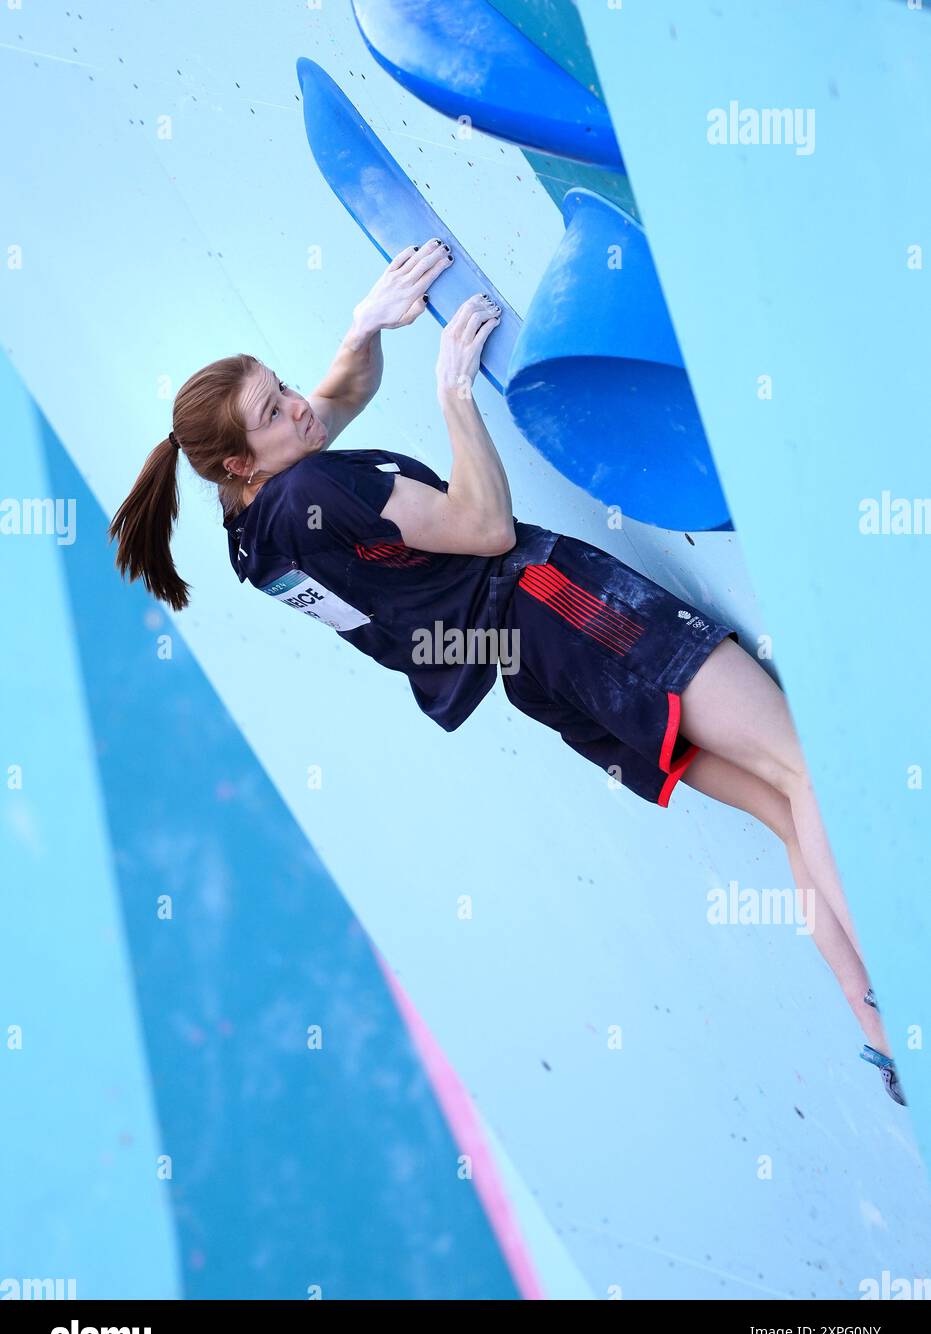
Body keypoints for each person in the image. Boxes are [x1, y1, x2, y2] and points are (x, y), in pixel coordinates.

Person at [108, 240, 905, 1107]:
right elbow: (482, 525)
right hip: (563, 614)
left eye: (280, 385)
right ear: (240, 462)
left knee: (790, 815)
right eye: (274, 409)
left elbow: (333, 407)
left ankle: (881, 1038)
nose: (298, 406)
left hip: (533, 673)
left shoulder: (254, 534)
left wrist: (364, 326)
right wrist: (453, 393)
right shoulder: (316, 494)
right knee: (806, 771)